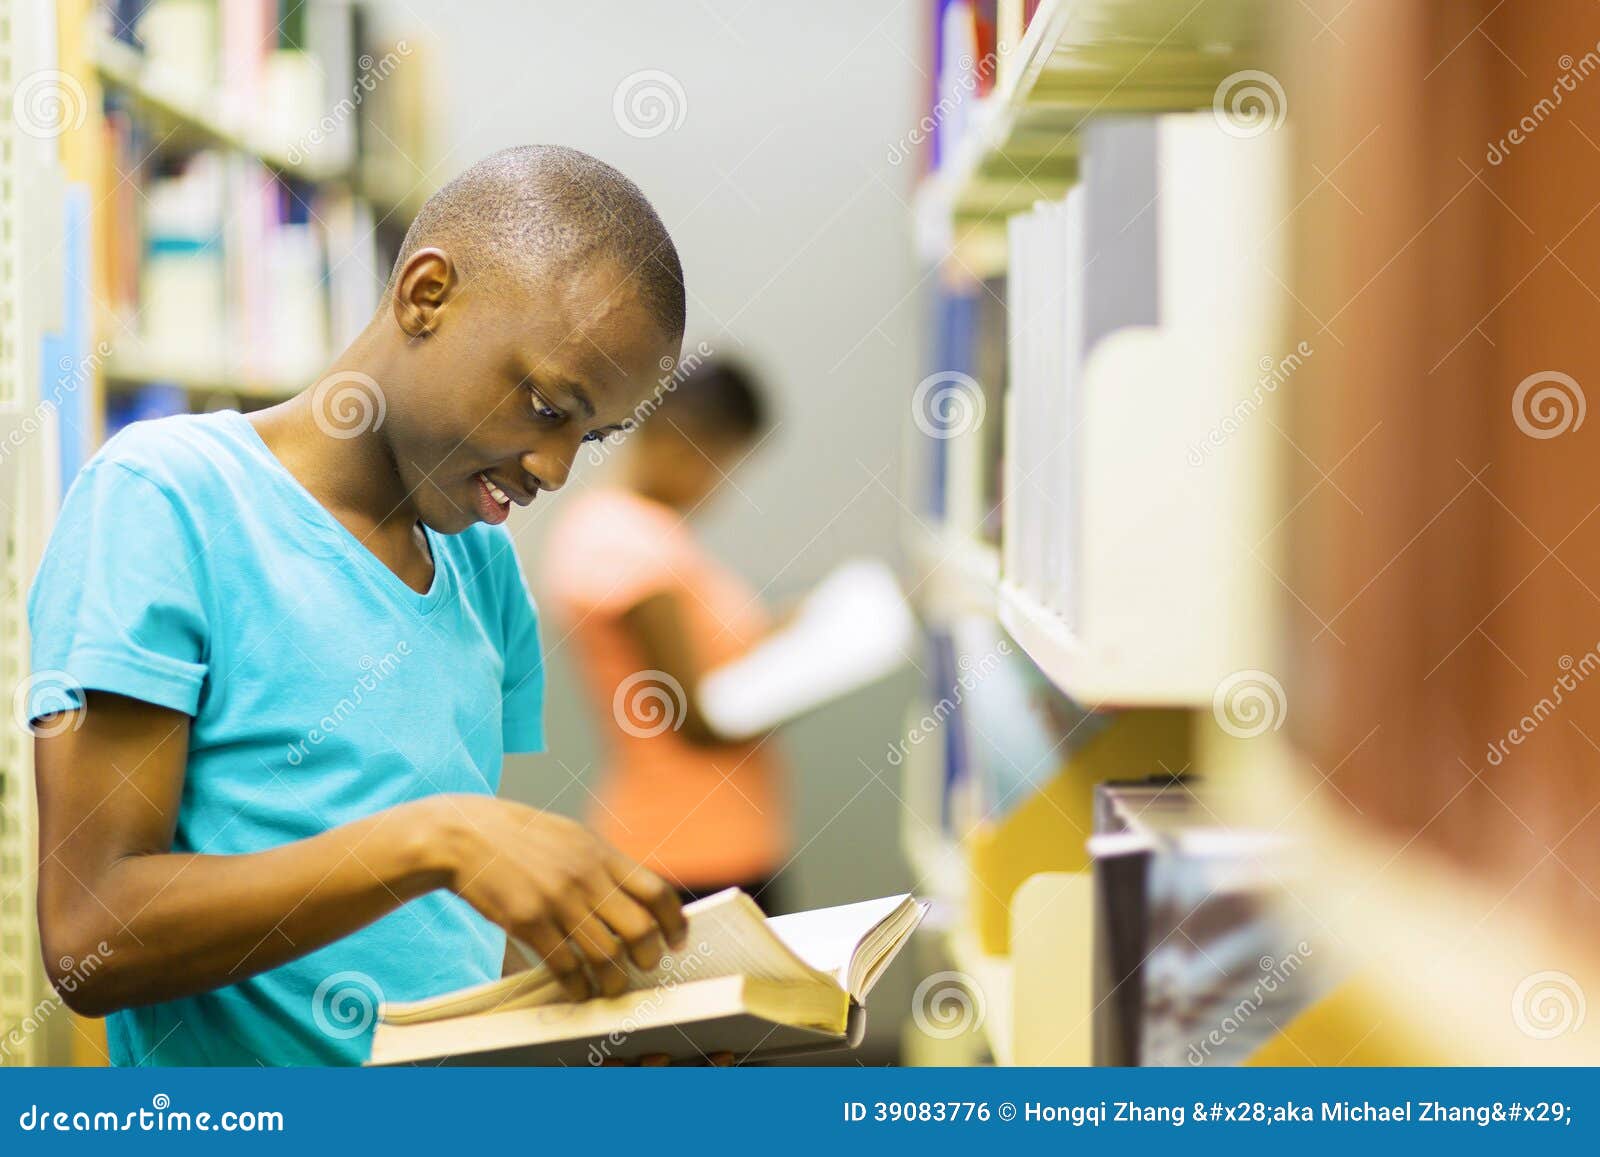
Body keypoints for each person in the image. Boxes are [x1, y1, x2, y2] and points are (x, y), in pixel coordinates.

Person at [26, 145, 692, 1066]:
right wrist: (438, 837)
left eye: (595, 433)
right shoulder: (166, 499)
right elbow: (88, 934)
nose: (554, 468)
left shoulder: (481, 563)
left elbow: (437, 951)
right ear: (426, 294)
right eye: (546, 405)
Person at [543, 359, 791, 913]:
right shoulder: (623, 540)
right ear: (683, 442)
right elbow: (694, 717)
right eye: (719, 462)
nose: (717, 484)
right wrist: (807, 674)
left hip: (722, 845)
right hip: (686, 859)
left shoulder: (651, 535)